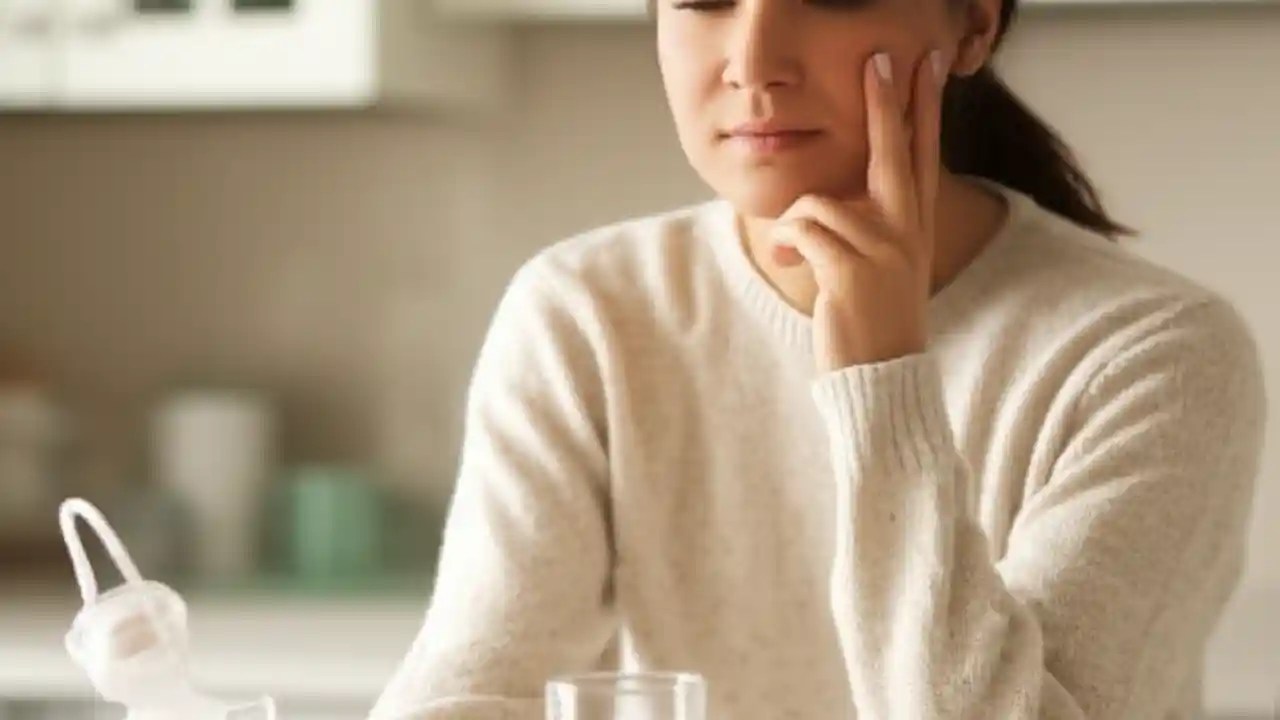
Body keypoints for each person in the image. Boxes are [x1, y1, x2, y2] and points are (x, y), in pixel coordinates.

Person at [369, 0, 1267, 715]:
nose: (753, 60)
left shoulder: (1155, 356)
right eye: (704, 0)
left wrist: (880, 380)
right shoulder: (584, 313)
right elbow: (465, 695)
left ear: (976, 23)